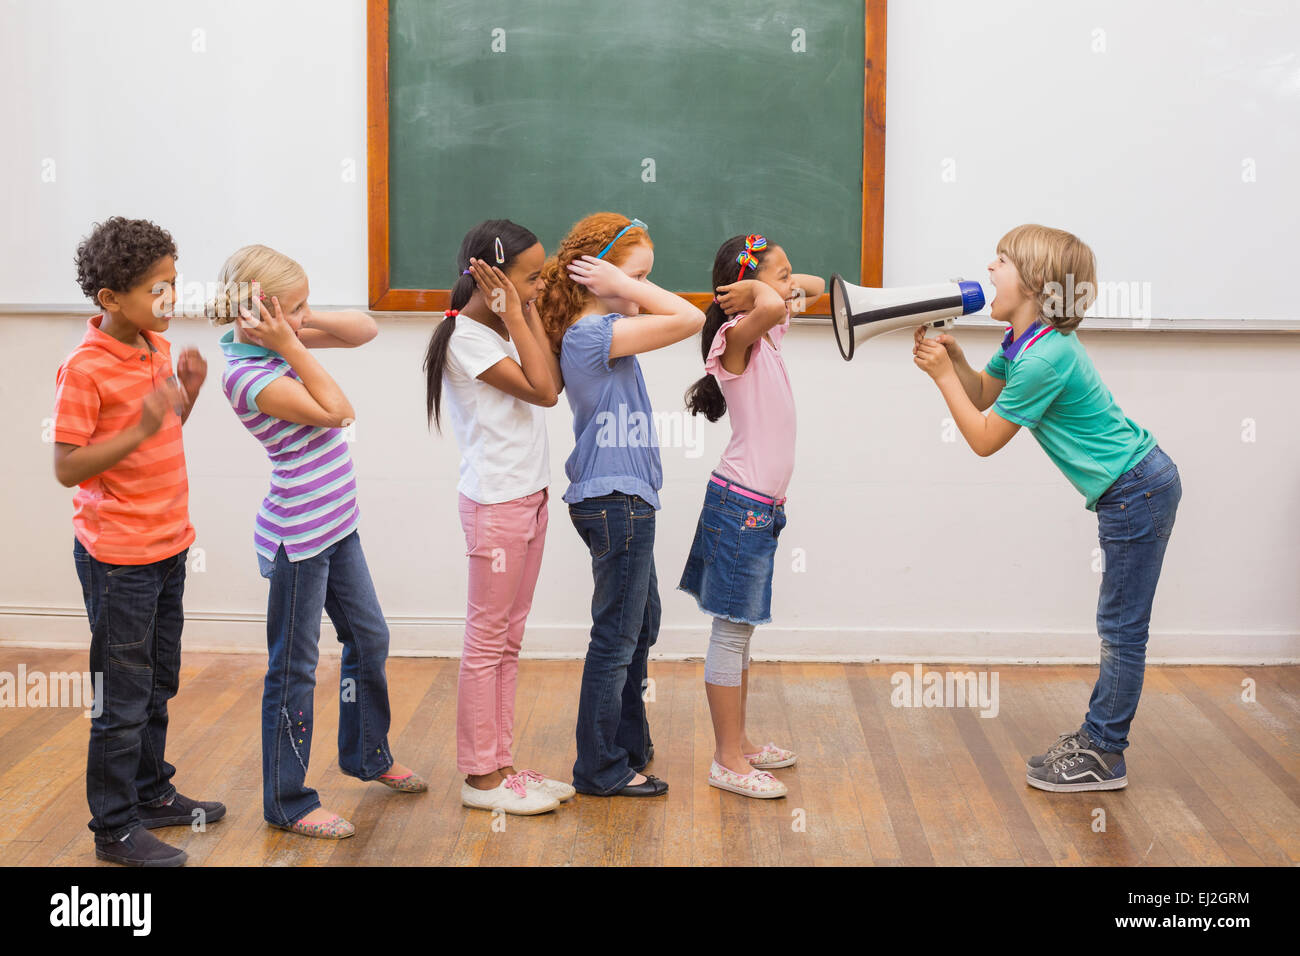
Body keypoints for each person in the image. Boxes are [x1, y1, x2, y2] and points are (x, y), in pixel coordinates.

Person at [913, 223, 1182, 792]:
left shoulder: (1045, 358)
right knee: (1118, 625)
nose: (989, 269)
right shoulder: (1025, 344)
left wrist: (941, 378)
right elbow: (985, 396)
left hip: (1138, 489)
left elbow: (985, 438)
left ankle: (1105, 752)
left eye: (1002, 261)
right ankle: (1097, 739)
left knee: (1121, 629)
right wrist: (958, 362)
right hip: (1133, 486)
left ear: (1034, 283)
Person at [212, 243, 424, 838]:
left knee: (368, 636)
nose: (307, 318)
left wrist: (298, 325)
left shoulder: (282, 343)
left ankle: (367, 756)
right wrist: (288, 342)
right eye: (297, 307)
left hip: (335, 522)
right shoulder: (248, 374)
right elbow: (338, 411)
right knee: (294, 668)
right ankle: (288, 802)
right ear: (264, 312)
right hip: (298, 540)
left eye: (306, 307)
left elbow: (366, 329)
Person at [53, 216, 225, 866]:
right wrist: (143, 423)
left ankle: (153, 794)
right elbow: (69, 465)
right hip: (119, 559)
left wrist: (188, 396)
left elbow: (160, 428)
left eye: (173, 285)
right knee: (120, 701)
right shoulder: (84, 369)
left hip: (168, 545)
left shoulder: (155, 344)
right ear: (109, 299)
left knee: (156, 684)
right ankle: (114, 830)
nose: (170, 301)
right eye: (158, 289)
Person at [536, 213, 705, 797]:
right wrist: (626, 286)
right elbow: (689, 317)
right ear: (597, 275)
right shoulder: (591, 337)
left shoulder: (600, 334)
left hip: (623, 502)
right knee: (616, 635)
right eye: (635, 276)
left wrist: (623, 284)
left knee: (640, 625)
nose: (642, 288)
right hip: (616, 504)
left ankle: (627, 744)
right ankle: (601, 767)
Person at [423, 219, 572, 814]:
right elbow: (544, 392)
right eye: (531, 276)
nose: (541, 285)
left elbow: (552, 377)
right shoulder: (467, 339)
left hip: (528, 496)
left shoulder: (501, 329)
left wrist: (523, 308)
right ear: (491, 279)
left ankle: (503, 764)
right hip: (497, 506)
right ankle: (479, 776)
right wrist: (517, 313)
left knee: (508, 640)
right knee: (487, 642)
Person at [680, 234, 823, 798]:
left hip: (759, 508)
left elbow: (810, 289)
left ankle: (737, 742)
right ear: (743, 291)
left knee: (742, 634)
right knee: (731, 632)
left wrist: (779, 280)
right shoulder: (733, 338)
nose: (790, 286)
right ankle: (725, 759)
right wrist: (763, 292)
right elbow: (768, 304)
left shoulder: (767, 330)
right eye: (778, 273)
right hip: (740, 505)